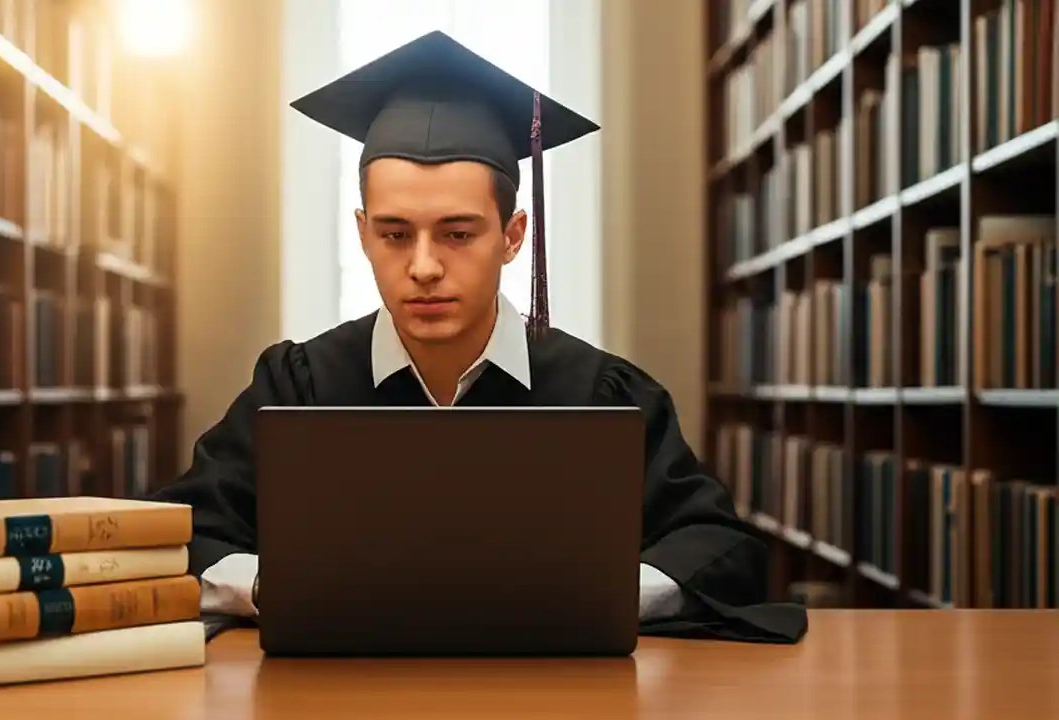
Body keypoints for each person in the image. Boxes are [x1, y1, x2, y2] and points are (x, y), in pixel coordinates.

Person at [151, 31, 806, 644]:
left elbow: (719, 546)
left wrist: (596, 596)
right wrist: (280, 589)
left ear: (513, 235)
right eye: (395, 233)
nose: (425, 265)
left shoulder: (602, 395)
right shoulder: (297, 387)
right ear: (361, 232)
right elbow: (184, 537)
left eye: (458, 233)